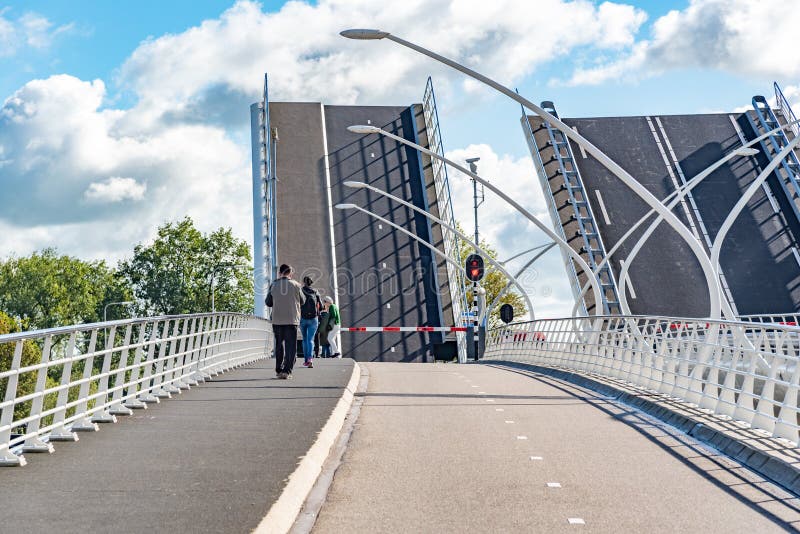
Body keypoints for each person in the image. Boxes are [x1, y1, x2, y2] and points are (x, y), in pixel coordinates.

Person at [265, 264, 306, 379]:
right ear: (290, 273)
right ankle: (287, 371)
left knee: (279, 345)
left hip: (277, 320)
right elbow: (303, 301)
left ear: (280, 273)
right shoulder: (296, 285)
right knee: (290, 346)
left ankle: (278, 369)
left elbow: (268, 302)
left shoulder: (273, 285)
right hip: (292, 320)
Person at [299, 276, 322, 368]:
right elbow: (320, 305)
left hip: (303, 318)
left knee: (304, 339)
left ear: (303, 282)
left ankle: (306, 360)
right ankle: (310, 359)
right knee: (310, 339)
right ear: (311, 283)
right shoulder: (316, 292)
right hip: (313, 318)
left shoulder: (300, 291)